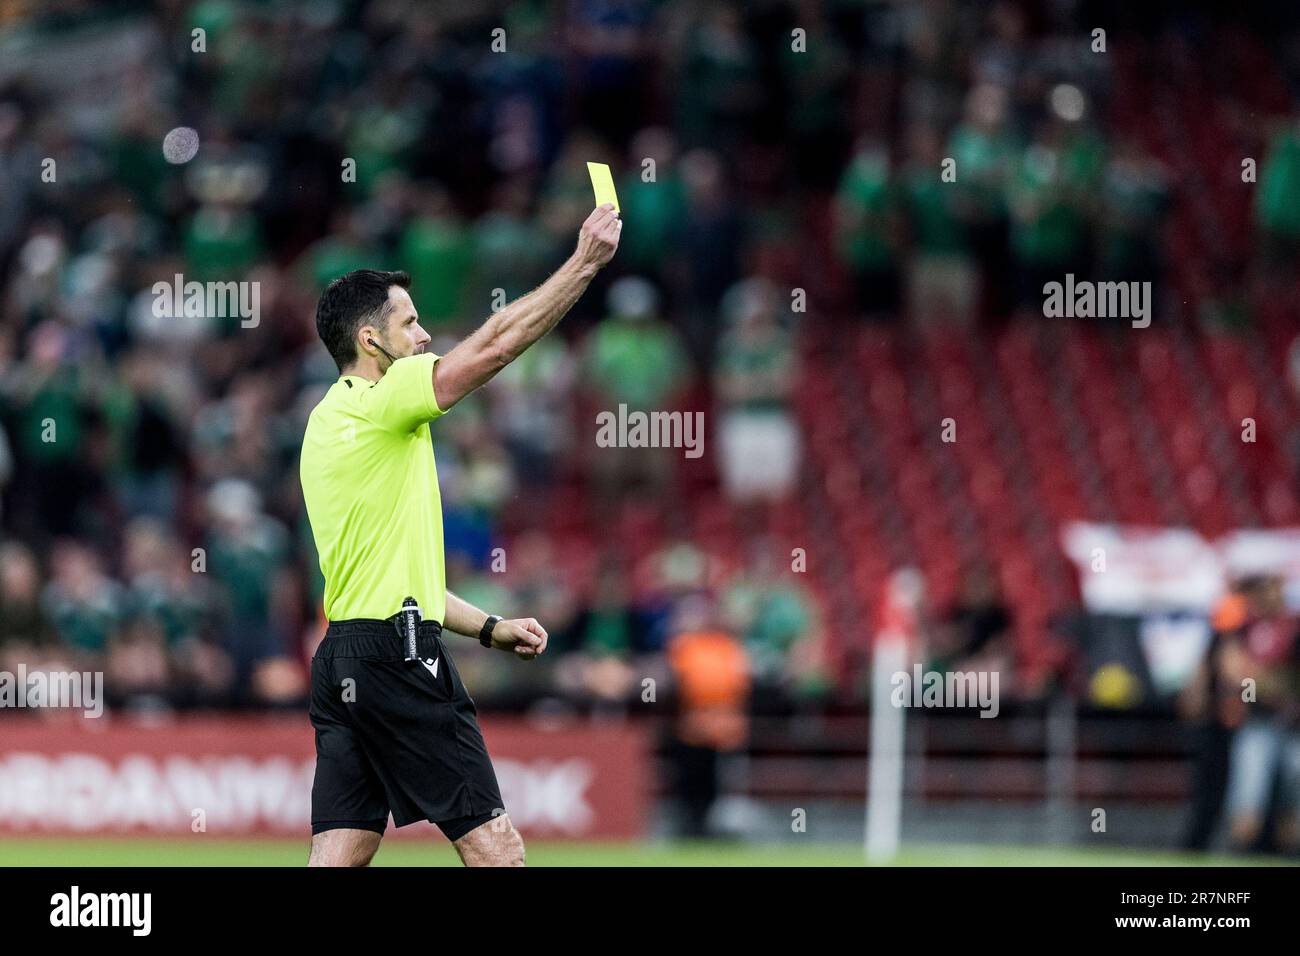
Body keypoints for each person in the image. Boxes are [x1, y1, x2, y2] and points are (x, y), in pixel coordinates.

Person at [299, 203, 621, 867]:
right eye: (409, 323)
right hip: (397, 658)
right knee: (498, 850)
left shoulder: (326, 424)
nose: (423, 336)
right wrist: (584, 264)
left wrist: (491, 627)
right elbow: (500, 343)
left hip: (345, 658)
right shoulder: (387, 401)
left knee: (340, 851)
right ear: (369, 340)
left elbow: (394, 583)